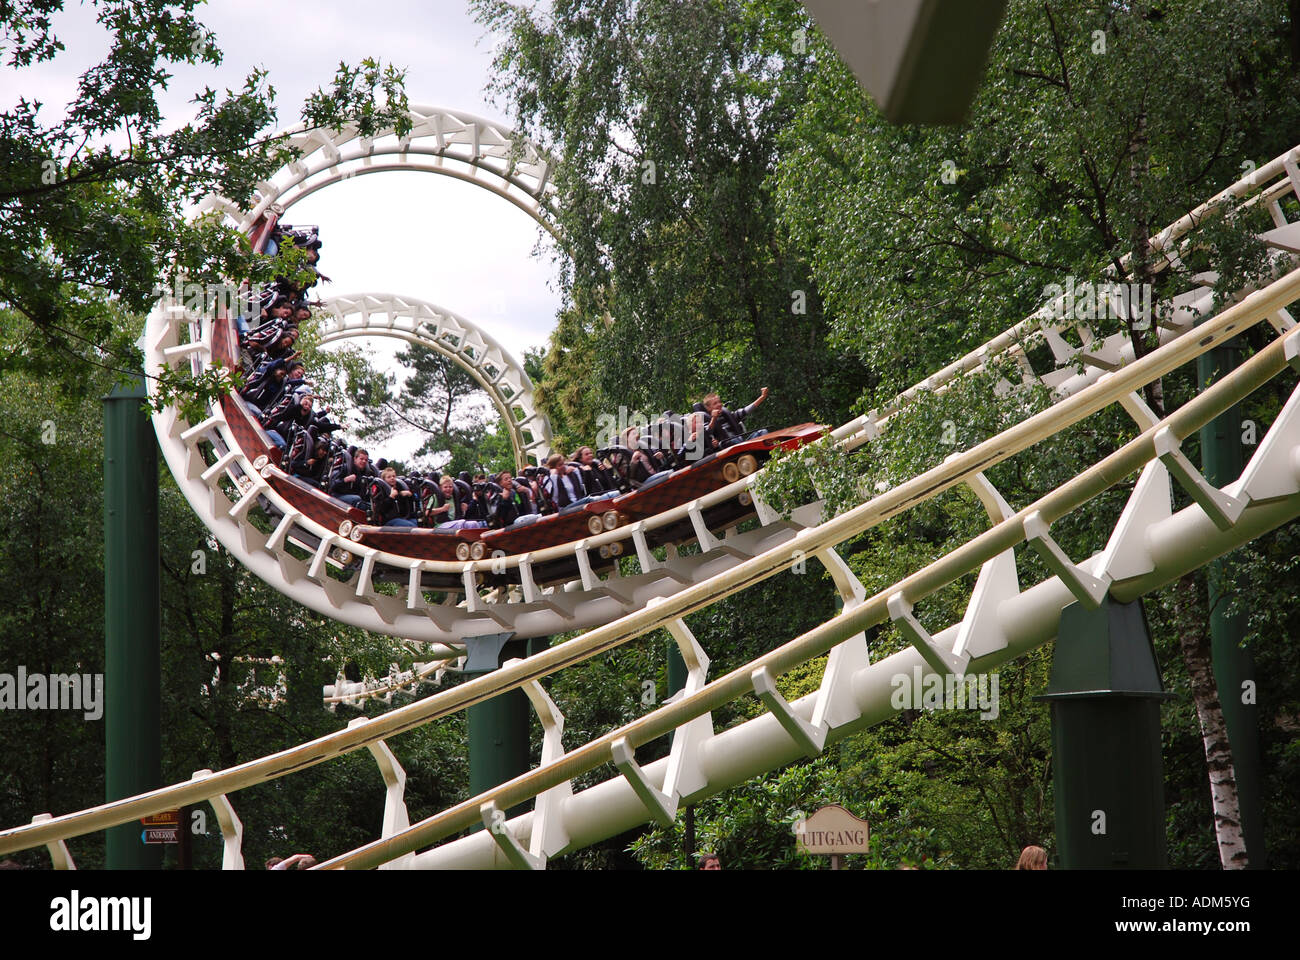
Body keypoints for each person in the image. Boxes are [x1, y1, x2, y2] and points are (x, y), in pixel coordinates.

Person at [702, 387, 770, 449]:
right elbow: (707, 432)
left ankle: (764, 452)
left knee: (763, 432)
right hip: (726, 447)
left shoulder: (728, 415)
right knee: (735, 439)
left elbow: (745, 410)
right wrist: (714, 418)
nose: (719, 405)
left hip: (740, 442)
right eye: (715, 403)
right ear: (708, 408)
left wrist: (762, 397)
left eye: (719, 402)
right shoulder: (706, 420)